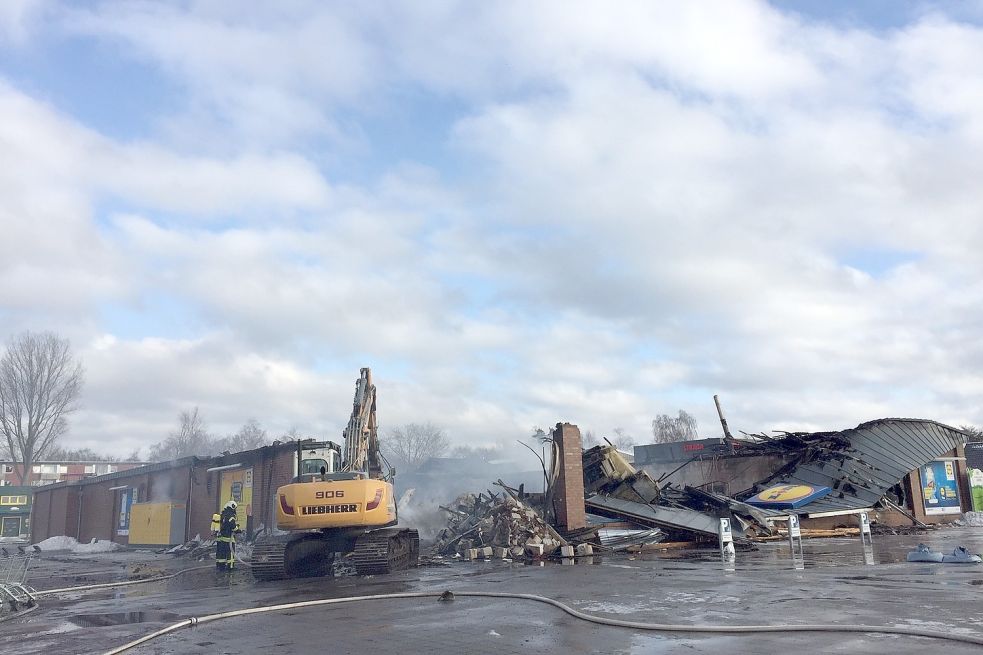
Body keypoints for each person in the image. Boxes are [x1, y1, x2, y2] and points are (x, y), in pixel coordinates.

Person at [215, 500, 239, 571]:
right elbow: (232, 525)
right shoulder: (230, 515)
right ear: (232, 507)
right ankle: (230, 567)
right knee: (230, 552)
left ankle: (221, 566)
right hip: (229, 538)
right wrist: (238, 529)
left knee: (222, 552)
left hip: (222, 538)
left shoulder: (223, 514)